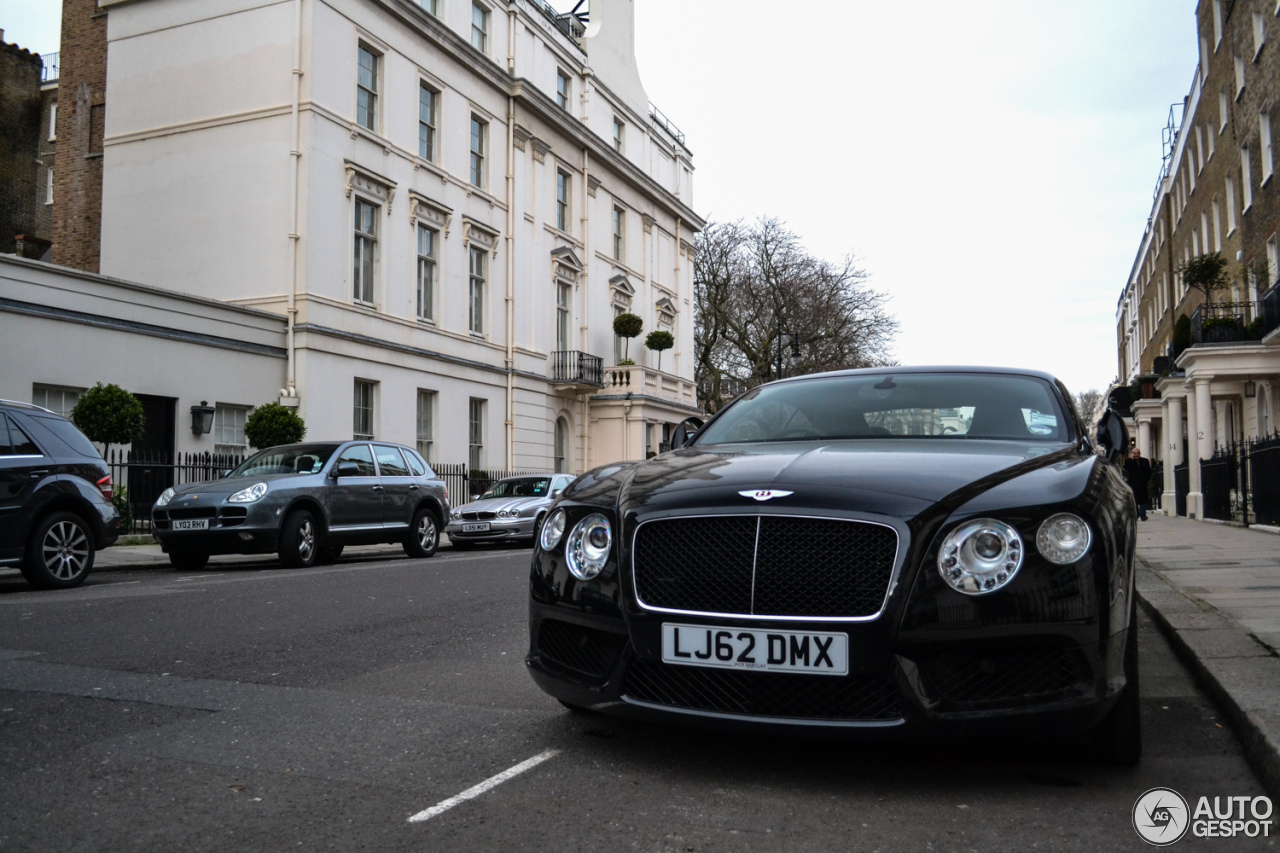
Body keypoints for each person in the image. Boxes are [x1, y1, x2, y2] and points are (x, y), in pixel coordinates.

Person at [1123, 446, 1153, 521]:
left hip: (1143, 483)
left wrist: (1146, 480)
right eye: (1134, 453)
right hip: (1133, 484)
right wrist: (1132, 460)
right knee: (1134, 500)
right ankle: (1136, 514)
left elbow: (1149, 472)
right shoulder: (1128, 461)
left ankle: (1143, 515)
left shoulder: (1145, 461)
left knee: (1143, 500)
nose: (1136, 455)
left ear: (1140, 454)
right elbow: (1126, 468)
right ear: (1132, 454)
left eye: (1137, 453)